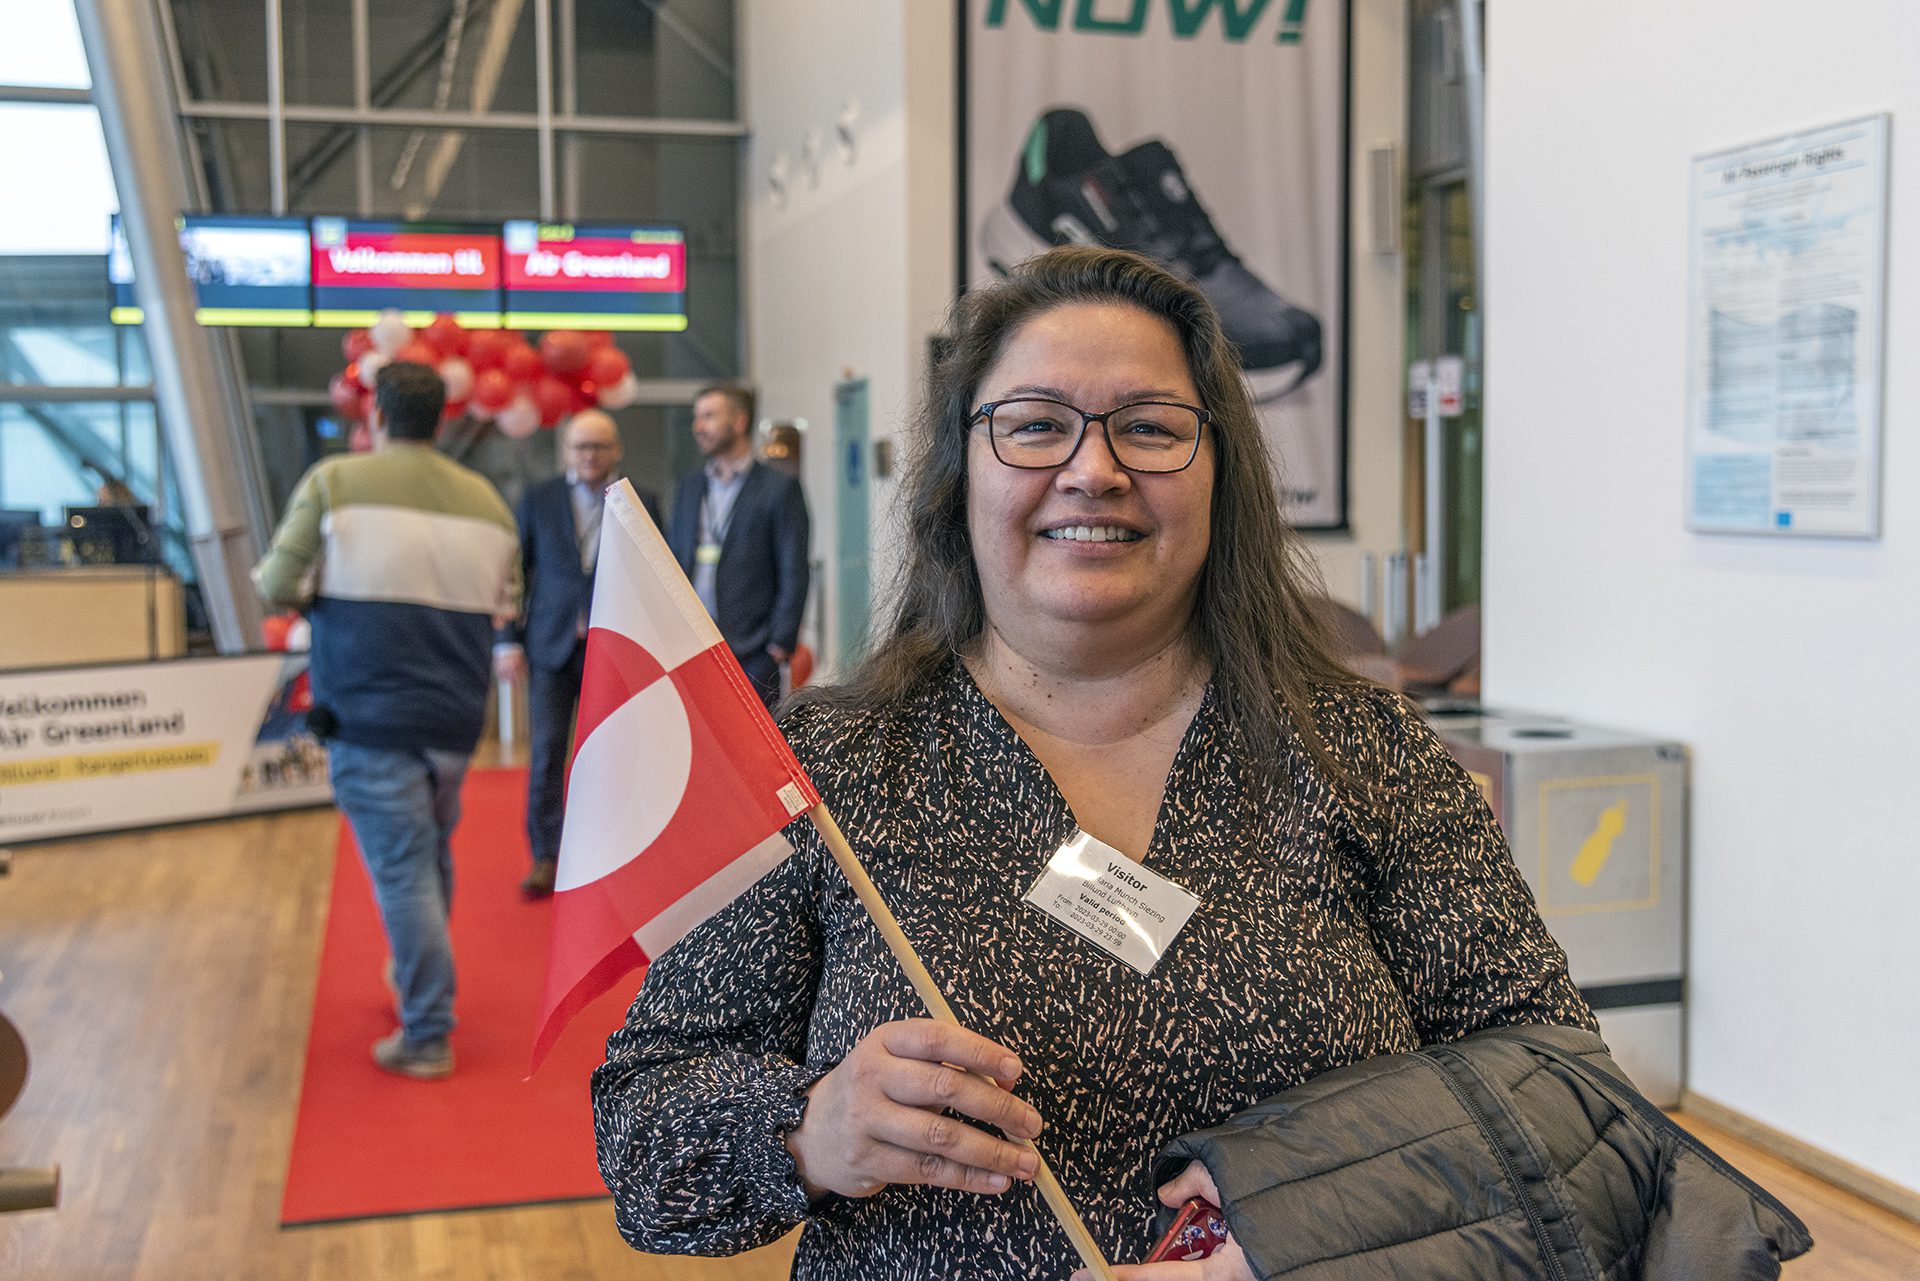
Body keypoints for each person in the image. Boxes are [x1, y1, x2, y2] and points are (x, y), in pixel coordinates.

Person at [591, 248, 1594, 1277]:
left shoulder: (1363, 749)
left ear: (1221, 472)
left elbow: (1559, 1089)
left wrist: (1317, 1216)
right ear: (959, 474)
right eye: (1035, 425)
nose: (1093, 469)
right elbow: (642, 1139)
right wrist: (814, 1126)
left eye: (1150, 427)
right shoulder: (827, 767)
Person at [254, 361, 519, 1081]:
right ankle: (412, 974)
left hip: (370, 715)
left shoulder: (334, 482)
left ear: (375, 415)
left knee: (403, 869)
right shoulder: (487, 503)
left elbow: (276, 584)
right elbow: (507, 601)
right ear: (442, 418)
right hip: (456, 717)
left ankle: (427, 1030)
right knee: (428, 853)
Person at [494, 409, 660, 899]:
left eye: (599, 446)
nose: (590, 455)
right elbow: (513, 574)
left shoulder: (639, 499)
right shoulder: (538, 499)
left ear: (617, 450)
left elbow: (655, 573)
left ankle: (609, 855)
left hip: (615, 648)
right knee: (548, 752)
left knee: (613, 753)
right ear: (566, 451)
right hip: (551, 645)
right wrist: (507, 641)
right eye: (581, 446)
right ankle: (547, 855)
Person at [665, 384, 810, 707]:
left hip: (754, 647)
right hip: (693, 645)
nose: (698, 426)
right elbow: (674, 558)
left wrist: (780, 640)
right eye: (697, 417)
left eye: (709, 416)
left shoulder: (779, 488)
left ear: (739, 421)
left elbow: (794, 568)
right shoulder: (690, 487)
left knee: (751, 737)